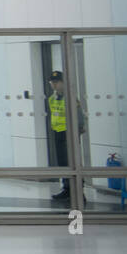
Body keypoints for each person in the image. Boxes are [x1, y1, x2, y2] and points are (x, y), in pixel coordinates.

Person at [46, 70, 85, 205]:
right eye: (52, 82)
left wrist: (79, 129)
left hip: (70, 133)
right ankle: (67, 189)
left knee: (73, 162)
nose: (54, 85)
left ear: (63, 82)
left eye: (56, 82)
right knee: (63, 163)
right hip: (58, 132)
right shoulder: (52, 98)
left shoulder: (71, 97)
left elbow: (79, 115)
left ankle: (79, 191)